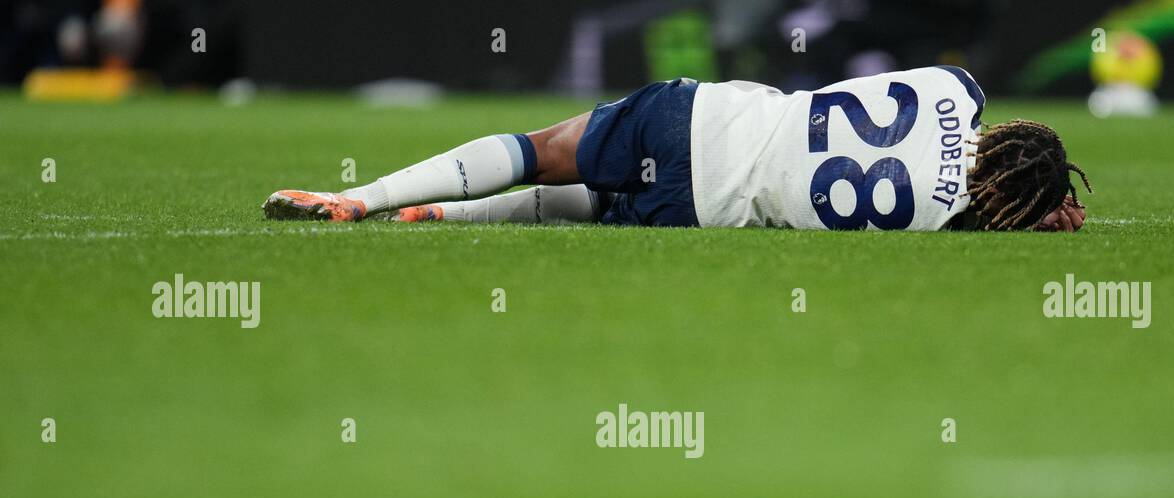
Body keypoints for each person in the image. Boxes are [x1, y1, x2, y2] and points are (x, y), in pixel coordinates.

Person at [263, 67, 1090, 233]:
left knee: (543, 149)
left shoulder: (957, 89)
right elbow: (976, 201)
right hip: (706, 210)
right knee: (594, 207)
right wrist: (1033, 214)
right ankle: (441, 211)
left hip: (703, 120)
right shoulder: (952, 221)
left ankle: (360, 199)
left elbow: (946, 115)